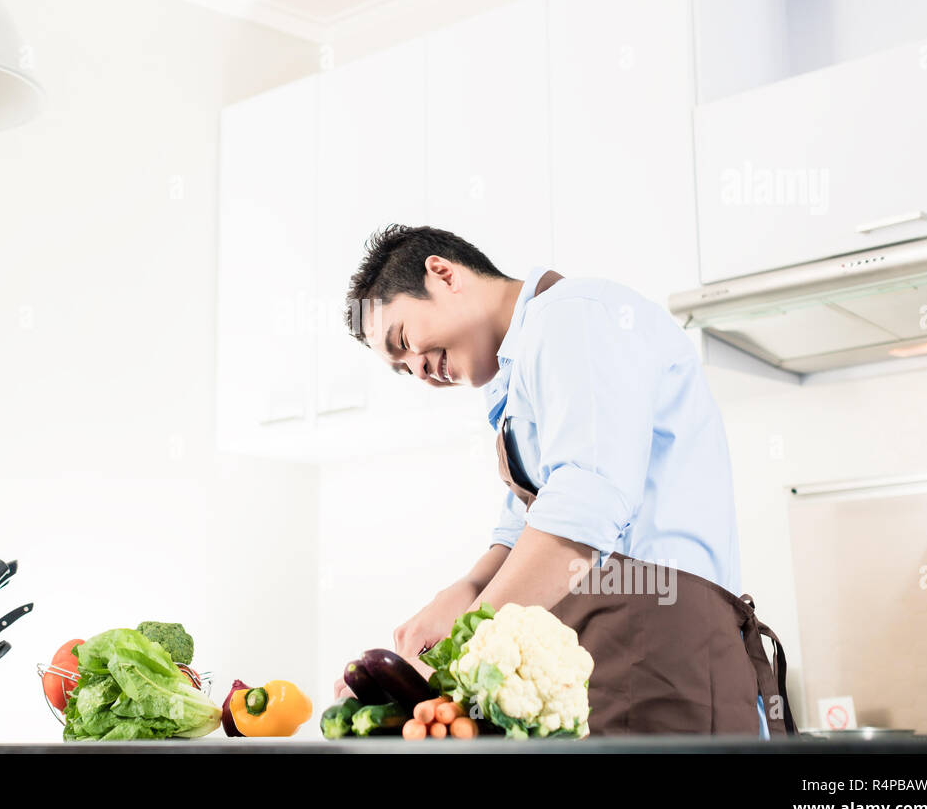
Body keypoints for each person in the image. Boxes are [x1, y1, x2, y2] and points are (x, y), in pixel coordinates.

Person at [336, 224, 793, 736]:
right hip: (606, 653)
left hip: (665, 644)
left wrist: (454, 654)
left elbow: (581, 511)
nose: (418, 370)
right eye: (402, 369)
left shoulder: (577, 316)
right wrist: (463, 590)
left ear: (442, 273)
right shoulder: (513, 378)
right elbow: (524, 528)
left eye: (404, 341)